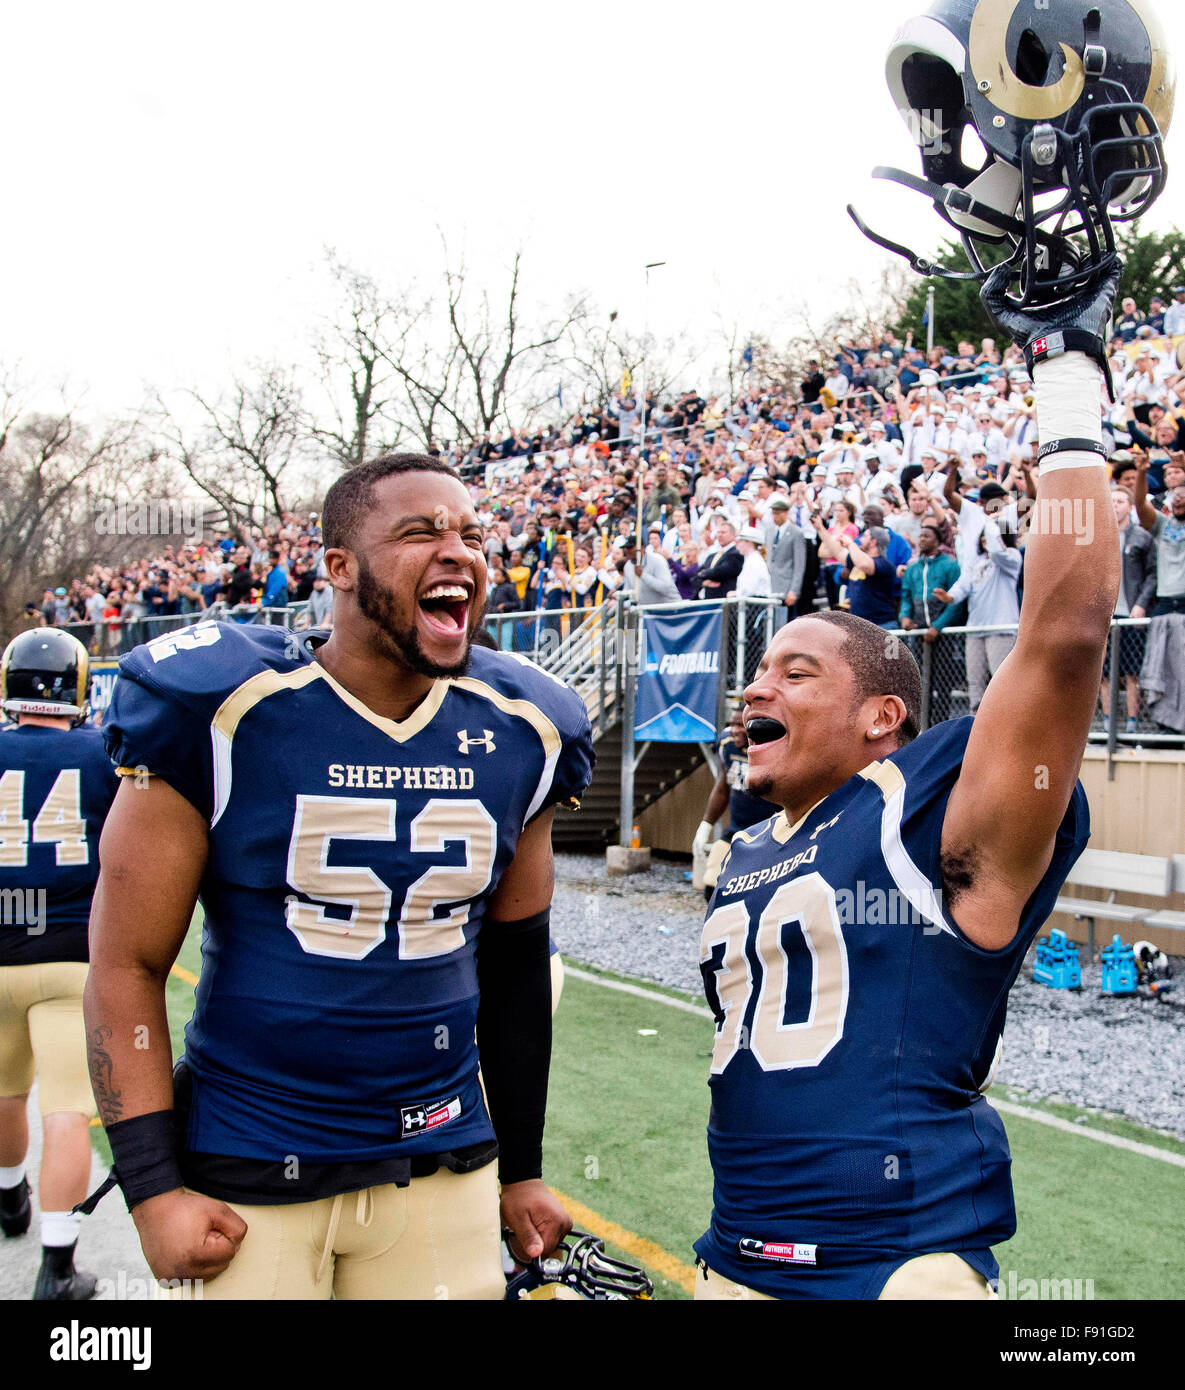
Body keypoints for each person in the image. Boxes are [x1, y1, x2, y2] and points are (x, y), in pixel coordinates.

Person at [692, 249, 1121, 1300]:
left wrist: (1066, 371)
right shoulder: (754, 842)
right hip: (735, 1258)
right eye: (757, 671)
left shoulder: (923, 812)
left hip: (892, 1271)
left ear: (885, 716)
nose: (759, 690)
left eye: (796, 672)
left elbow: (1065, 632)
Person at [84, 454, 594, 1300]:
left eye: (470, 533)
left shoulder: (527, 726)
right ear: (339, 568)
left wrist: (522, 1170)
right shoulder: (221, 710)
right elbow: (126, 962)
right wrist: (150, 1188)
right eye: (419, 531)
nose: (457, 550)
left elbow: (514, 964)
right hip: (255, 1155)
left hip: (442, 1155)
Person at [0, 630, 119, 1299]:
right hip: (71, 953)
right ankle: (57, 1268)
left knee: (6, 1093)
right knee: (67, 1111)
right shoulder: (102, 752)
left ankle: (10, 1194)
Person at [691, 709, 779, 902]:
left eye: (742, 725)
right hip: (737, 831)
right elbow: (723, 786)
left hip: (771, 834)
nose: (734, 730)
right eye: (733, 724)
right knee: (712, 888)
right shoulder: (727, 744)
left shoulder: (775, 748)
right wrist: (705, 825)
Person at [1100, 487, 1156, 733]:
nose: (1115, 505)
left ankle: (1132, 723)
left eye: (1121, 501)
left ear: (1130, 505)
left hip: (1131, 614)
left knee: (1132, 673)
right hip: (1104, 617)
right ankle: (1106, 723)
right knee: (1103, 675)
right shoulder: (1097, 536)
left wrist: (1141, 604)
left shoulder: (1142, 537)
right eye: (1111, 500)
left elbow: (1153, 575)